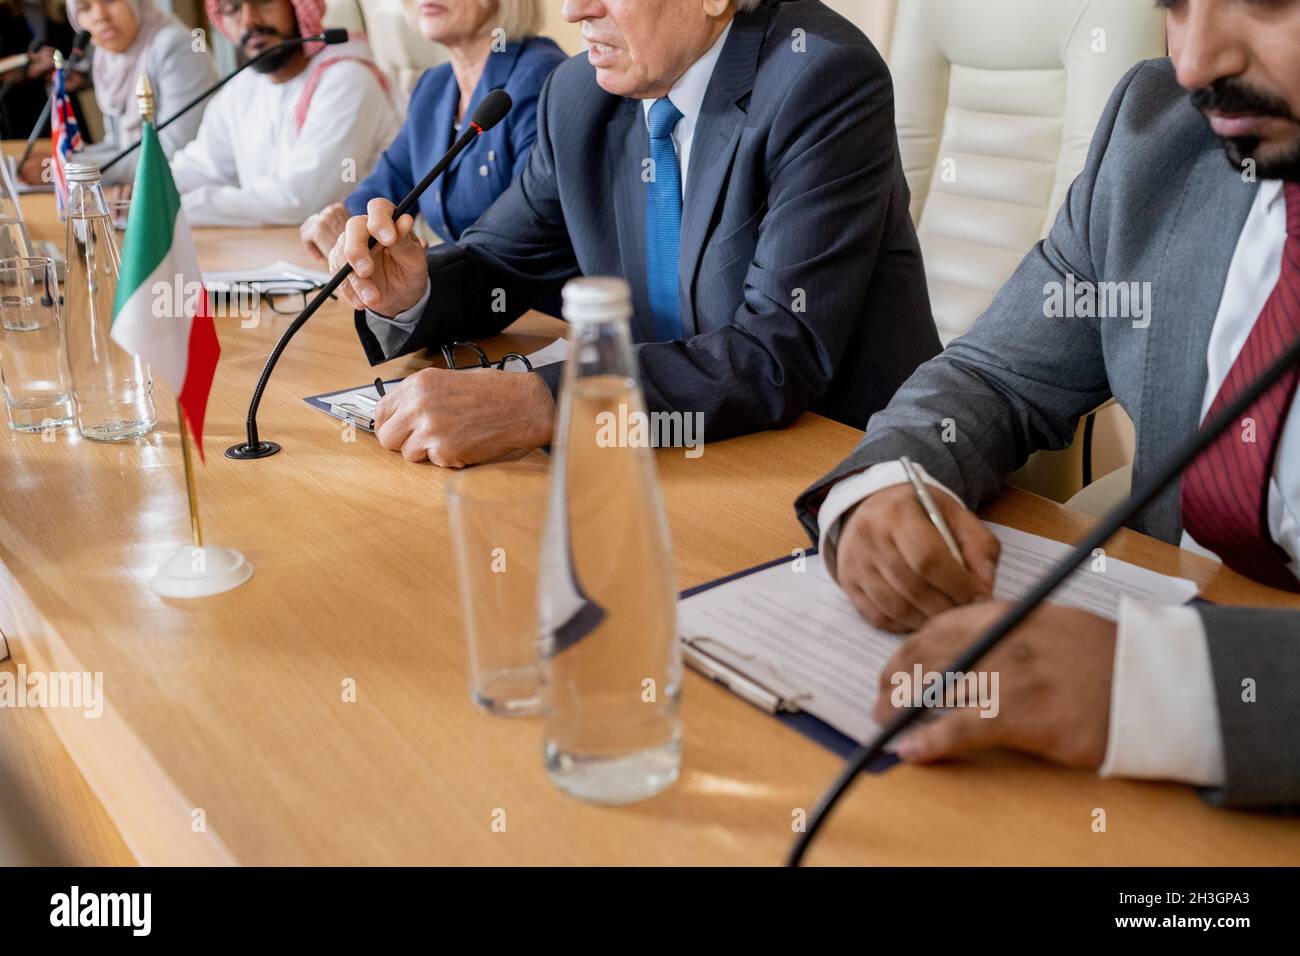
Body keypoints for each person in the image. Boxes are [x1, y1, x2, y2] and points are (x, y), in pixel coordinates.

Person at [795, 0, 1300, 809]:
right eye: (1175, 3)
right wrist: (886, 484)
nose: (1195, 62)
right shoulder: (1156, 130)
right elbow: (994, 375)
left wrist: (1154, 686)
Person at [328, 0, 939, 468]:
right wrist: (414, 289)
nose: (573, 10)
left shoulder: (821, 76)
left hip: (830, 463)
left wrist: (551, 401)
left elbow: (776, 353)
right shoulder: (578, 95)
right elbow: (500, 263)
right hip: (668, 453)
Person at [299, 0, 565, 263]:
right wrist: (348, 227)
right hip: (460, 294)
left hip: (540, 303)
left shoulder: (541, 77)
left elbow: (525, 232)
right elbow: (386, 186)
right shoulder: (433, 86)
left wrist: (419, 267)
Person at [166, 0, 398, 226]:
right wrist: (149, 192)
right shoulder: (242, 87)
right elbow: (202, 166)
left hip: (353, 258)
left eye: (263, 2)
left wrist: (177, 207)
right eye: (234, 8)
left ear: (296, 7)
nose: (249, 21)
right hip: (274, 251)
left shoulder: (347, 78)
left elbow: (299, 201)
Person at [19, 0, 217, 187]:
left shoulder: (178, 45)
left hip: (198, 197)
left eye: (110, 0)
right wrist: (63, 159)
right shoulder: (107, 55)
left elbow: (169, 154)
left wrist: (69, 168)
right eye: (85, 8)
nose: (99, 16)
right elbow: (118, 145)